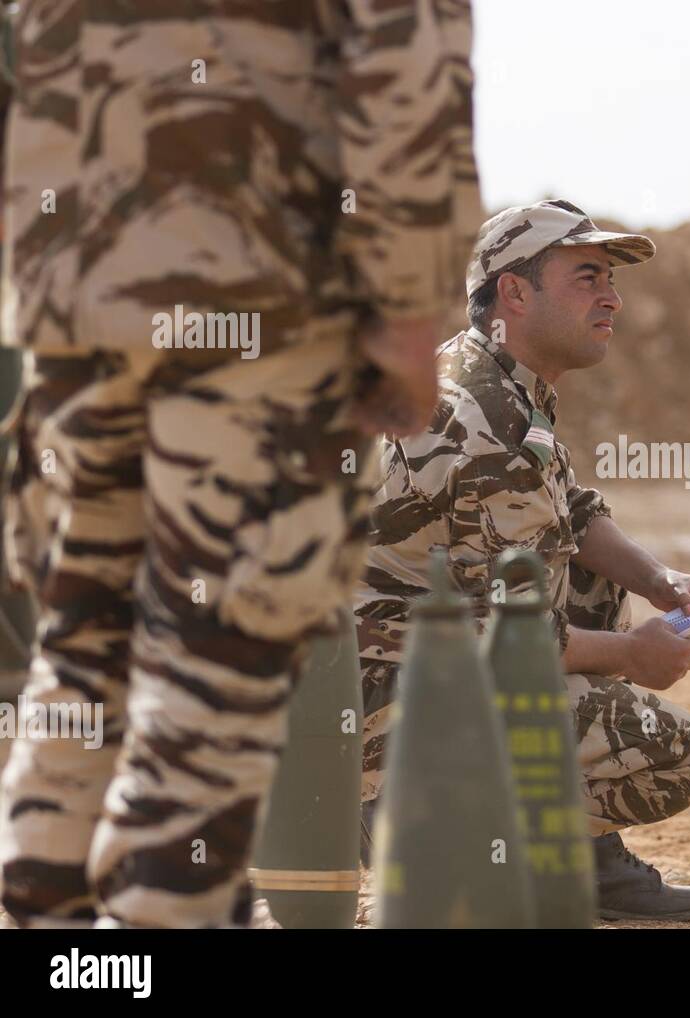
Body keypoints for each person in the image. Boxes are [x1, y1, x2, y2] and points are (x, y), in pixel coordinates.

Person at [0, 0, 480, 928]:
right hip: (258, 306)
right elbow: (403, 55)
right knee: (217, 667)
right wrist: (408, 306)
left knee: (84, 651)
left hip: (75, 308)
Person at [354, 199, 690, 921]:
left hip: (403, 663)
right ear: (514, 293)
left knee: (583, 566)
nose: (612, 296)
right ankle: (398, 815)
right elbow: (506, 634)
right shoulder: (478, 421)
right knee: (681, 751)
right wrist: (631, 654)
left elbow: (570, 513)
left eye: (610, 280)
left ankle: (586, 861)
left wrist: (658, 582)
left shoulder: (497, 384)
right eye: (587, 277)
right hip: (384, 700)